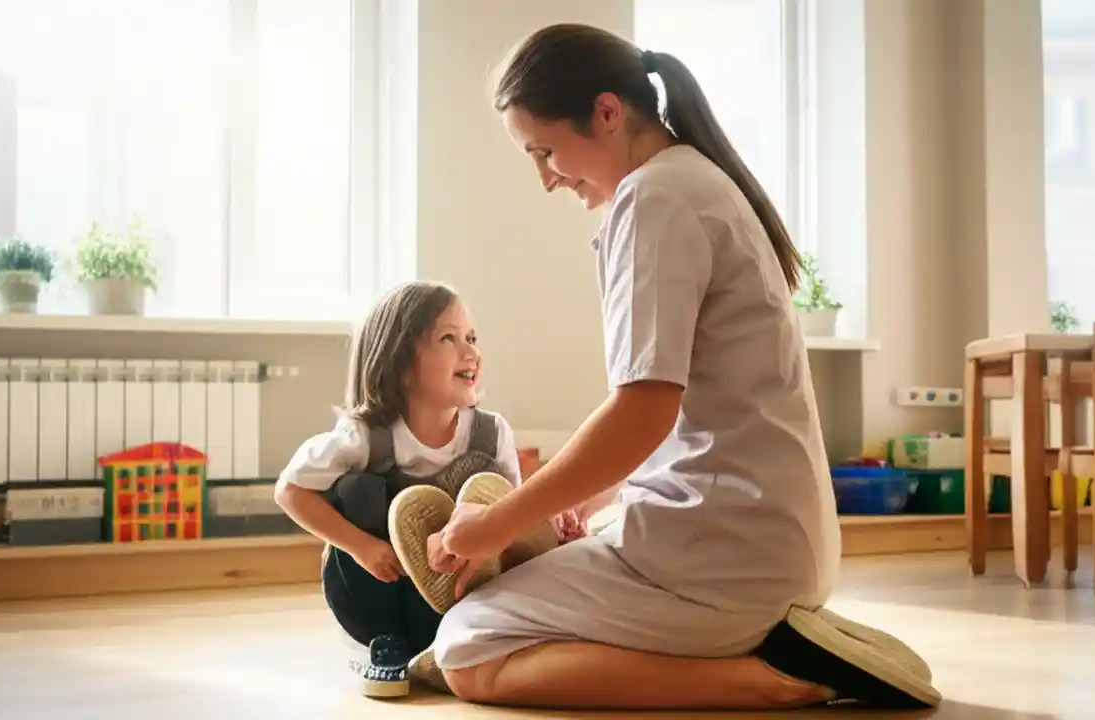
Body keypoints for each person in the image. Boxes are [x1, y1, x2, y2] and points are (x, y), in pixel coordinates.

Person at [387, 23, 942, 710]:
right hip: (761, 539)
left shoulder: (656, 199)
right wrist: (580, 502)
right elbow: (660, 409)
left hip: (729, 559)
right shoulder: (694, 183)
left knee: (469, 644)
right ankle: (572, 580)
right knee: (536, 571)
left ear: (608, 113)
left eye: (545, 151)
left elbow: (641, 412)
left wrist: (496, 525)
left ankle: (778, 675)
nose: (546, 180)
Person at [273, 281, 531, 698]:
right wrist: (359, 546)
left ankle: (448, 645)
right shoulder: (363, 436)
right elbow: (290, 491)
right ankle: (386, 644)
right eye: (449, 338)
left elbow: (514, 516)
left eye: (472, 337)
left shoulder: (490, 433)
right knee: (357, 490)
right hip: (381, 588)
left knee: (489, 489)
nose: (470, 351)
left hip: (456, 590)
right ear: (402, 363)